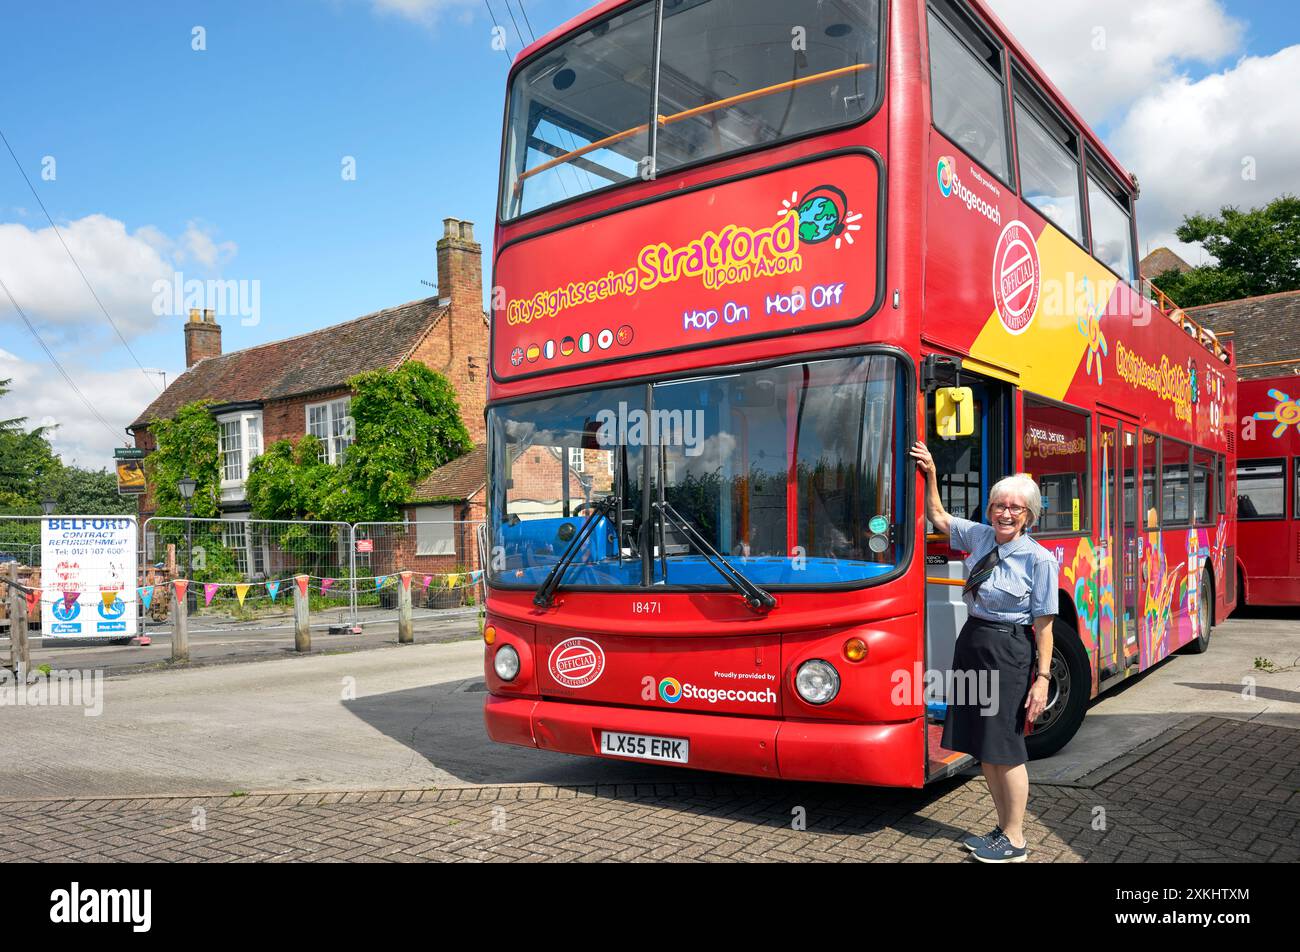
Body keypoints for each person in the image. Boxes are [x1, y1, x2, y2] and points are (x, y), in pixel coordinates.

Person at [910, 441, 1057, 864]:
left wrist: (1041, 680)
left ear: (1029, 515)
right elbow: (938, 516)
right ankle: (1001, 826)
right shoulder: (979, 535)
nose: (1005, 514)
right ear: (989, 509)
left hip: (1009, 651)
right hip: (973, 642)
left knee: (1005, 747)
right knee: (983, 744)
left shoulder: (1038, 560)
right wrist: (933, 472)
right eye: (998, 506)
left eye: (1015, 508)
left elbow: (1044, 626)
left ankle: (1015, 839)